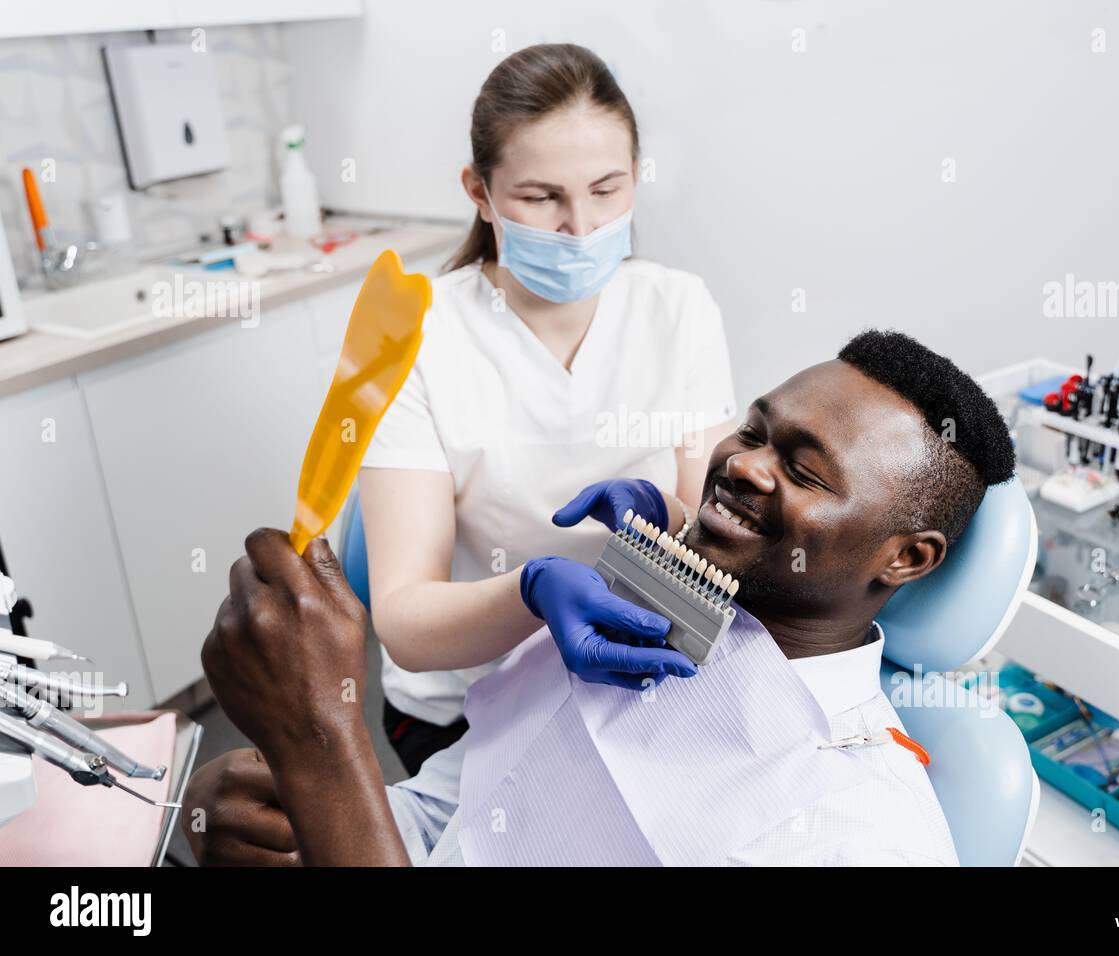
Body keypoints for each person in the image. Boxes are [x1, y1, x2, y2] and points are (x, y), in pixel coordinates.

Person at [187, 330, 1016, 866]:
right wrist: (309, 819)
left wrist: (323, 746)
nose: (743, 466)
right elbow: (467, 809)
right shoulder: (644, 619)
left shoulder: (858, 832)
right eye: (755, 432)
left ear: (906, 557)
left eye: (803, 471)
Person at [359, 43, 737, 774]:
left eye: (607, 189)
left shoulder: (677, 307)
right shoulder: (410, 337)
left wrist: (670, 515)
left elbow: (708, 533)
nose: (581, 226)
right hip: (470, 700)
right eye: (541, 197)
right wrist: (531, 592)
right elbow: (404, 622)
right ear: (479, 190)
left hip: (631, 671)